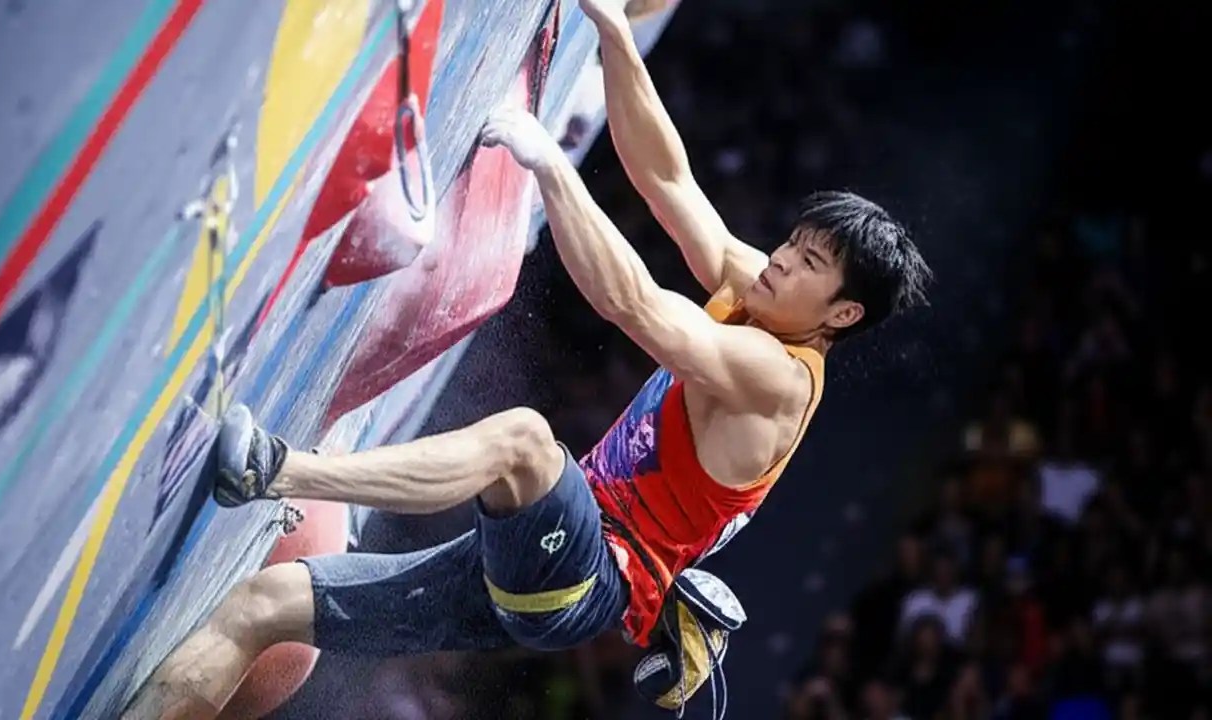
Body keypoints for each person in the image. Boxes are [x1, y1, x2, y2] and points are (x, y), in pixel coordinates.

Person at [123, 1, 930, 717]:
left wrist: (548, 167)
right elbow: (667, 180)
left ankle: (272, 473)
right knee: (259, 606)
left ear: (841, 314)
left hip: (587, 581)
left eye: (809, 263)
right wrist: (613, 27)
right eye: (794, 241)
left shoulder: (779, 380)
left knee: (522, 444)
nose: (781, 259)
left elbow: (637, 306)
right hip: (550, 558)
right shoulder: (764, 291)